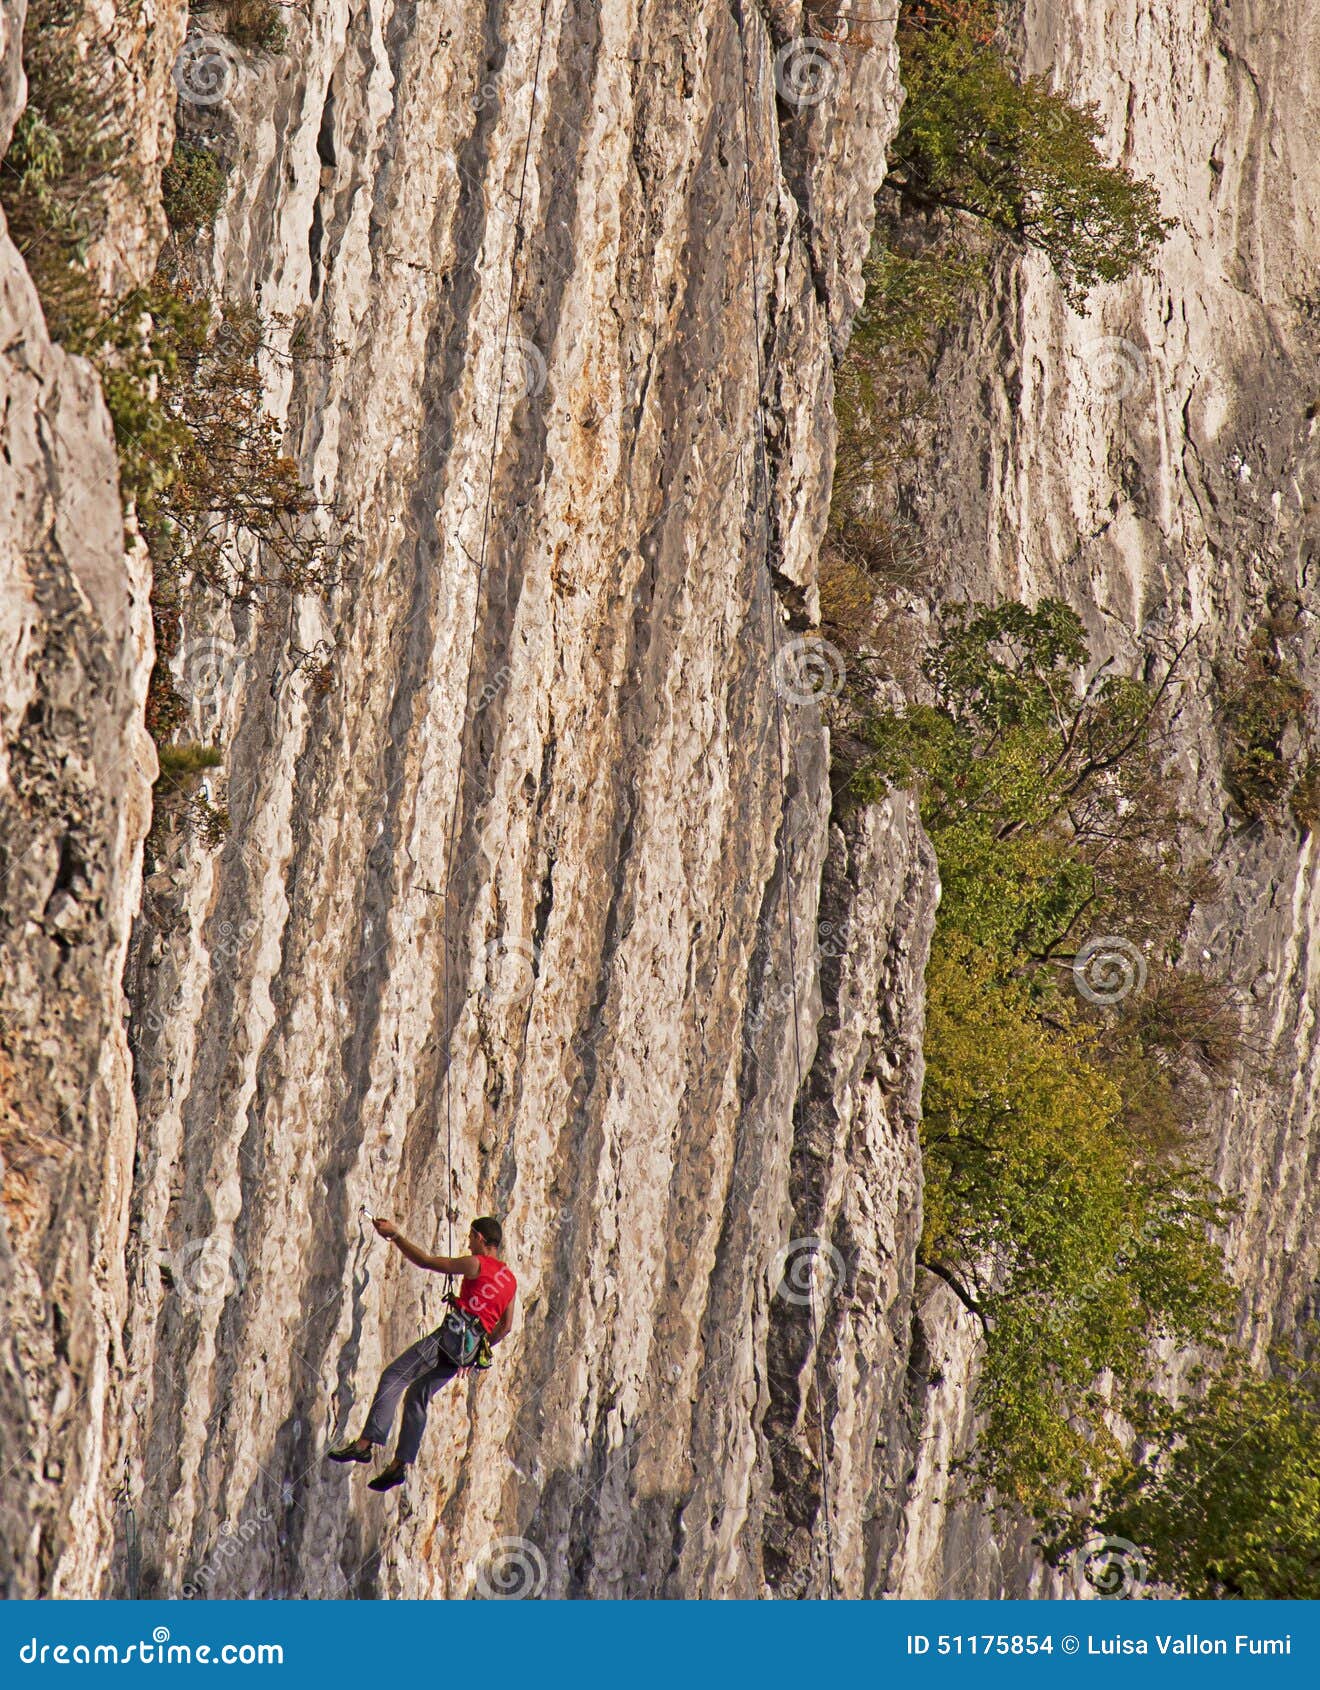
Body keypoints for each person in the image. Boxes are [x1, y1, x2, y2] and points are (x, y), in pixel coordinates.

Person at [328, 1215, 516, 1492]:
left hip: (448, 1339)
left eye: (469, 1237)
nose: (467, 1242)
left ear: (479, 1237)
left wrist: (395, 1236)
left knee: (394, 1377)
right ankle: (398, 1465)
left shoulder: (475, 1263)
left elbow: (426, 1262)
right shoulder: (510, 1280)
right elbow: (505, 1327)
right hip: (466, 1352)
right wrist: (476, 1352)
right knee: (418, 1394)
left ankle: (365, 1444)